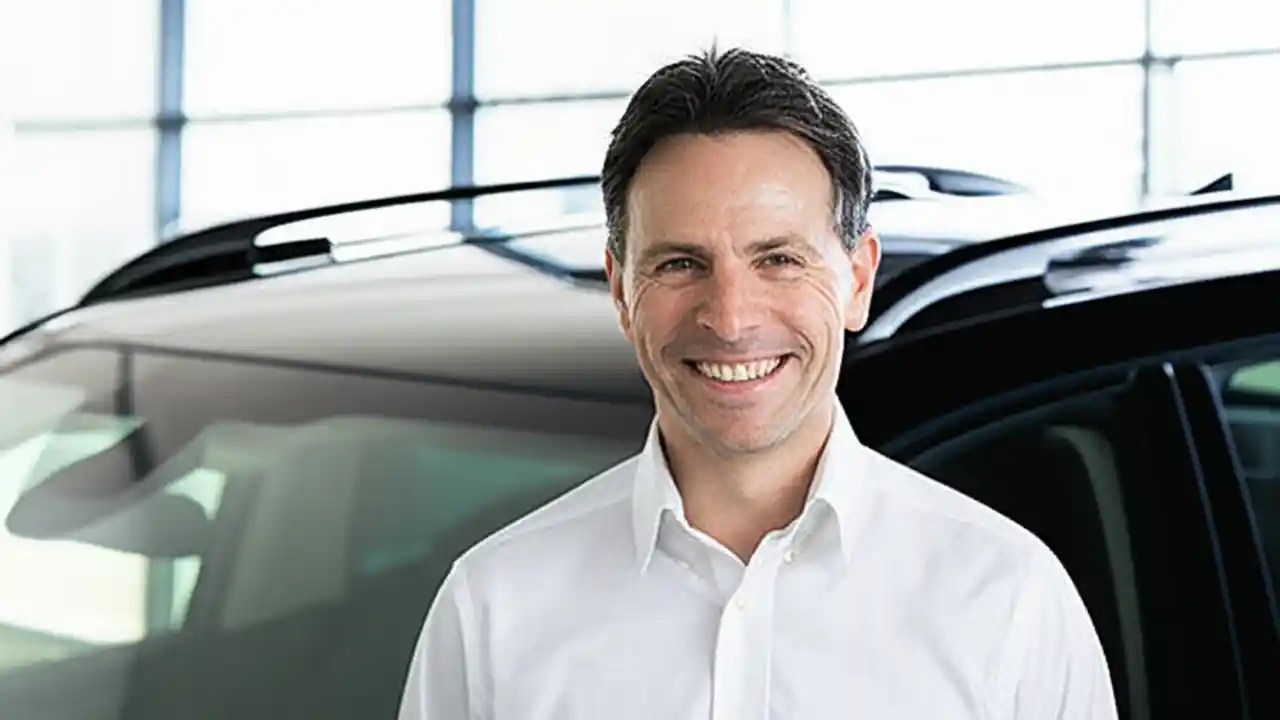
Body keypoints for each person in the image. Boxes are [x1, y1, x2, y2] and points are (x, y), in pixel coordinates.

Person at [398, 47, 1117, 719]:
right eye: (681, 263)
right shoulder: (490, 612)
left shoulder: (1011, 602)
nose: (732, 318)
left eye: (778, 259)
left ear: (857, 279)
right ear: (621, 291)